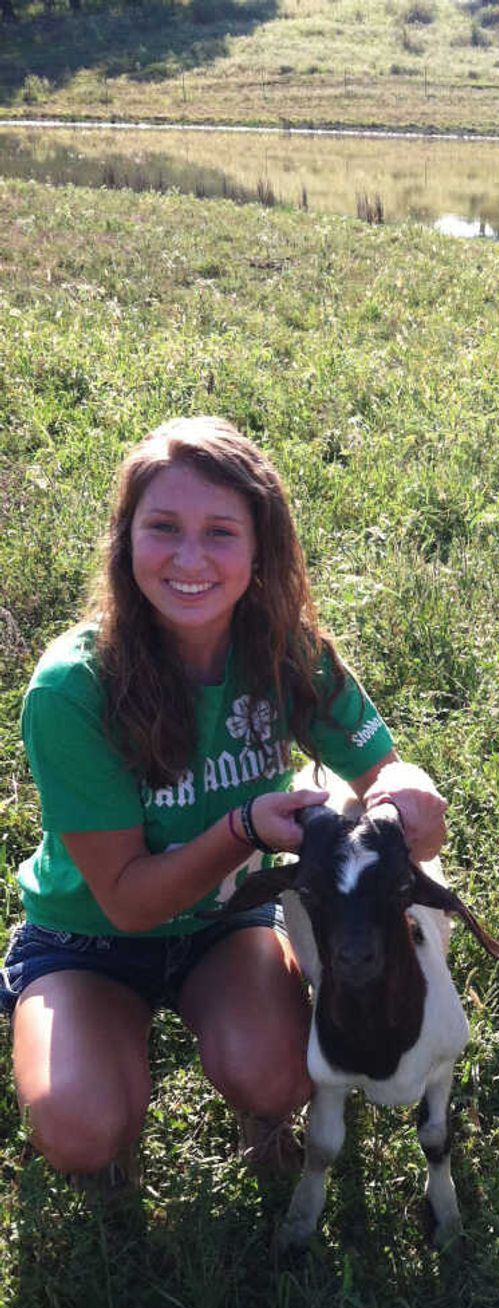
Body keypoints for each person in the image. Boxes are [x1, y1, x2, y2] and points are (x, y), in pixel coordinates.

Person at [1, 417, 447, 1197]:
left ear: (260, 549)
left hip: (222, 920)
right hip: (88, 937)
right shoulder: (73, 688)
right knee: (80, 1126)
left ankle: (260, 1118)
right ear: (125, 537)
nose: (189, 557)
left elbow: (385, 767)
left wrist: (413, 791)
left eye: (221, 532)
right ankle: (94, 1081)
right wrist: (242, 827)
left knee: (279, 1075)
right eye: (163, 527)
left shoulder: (285, 650)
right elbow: (130, 900)